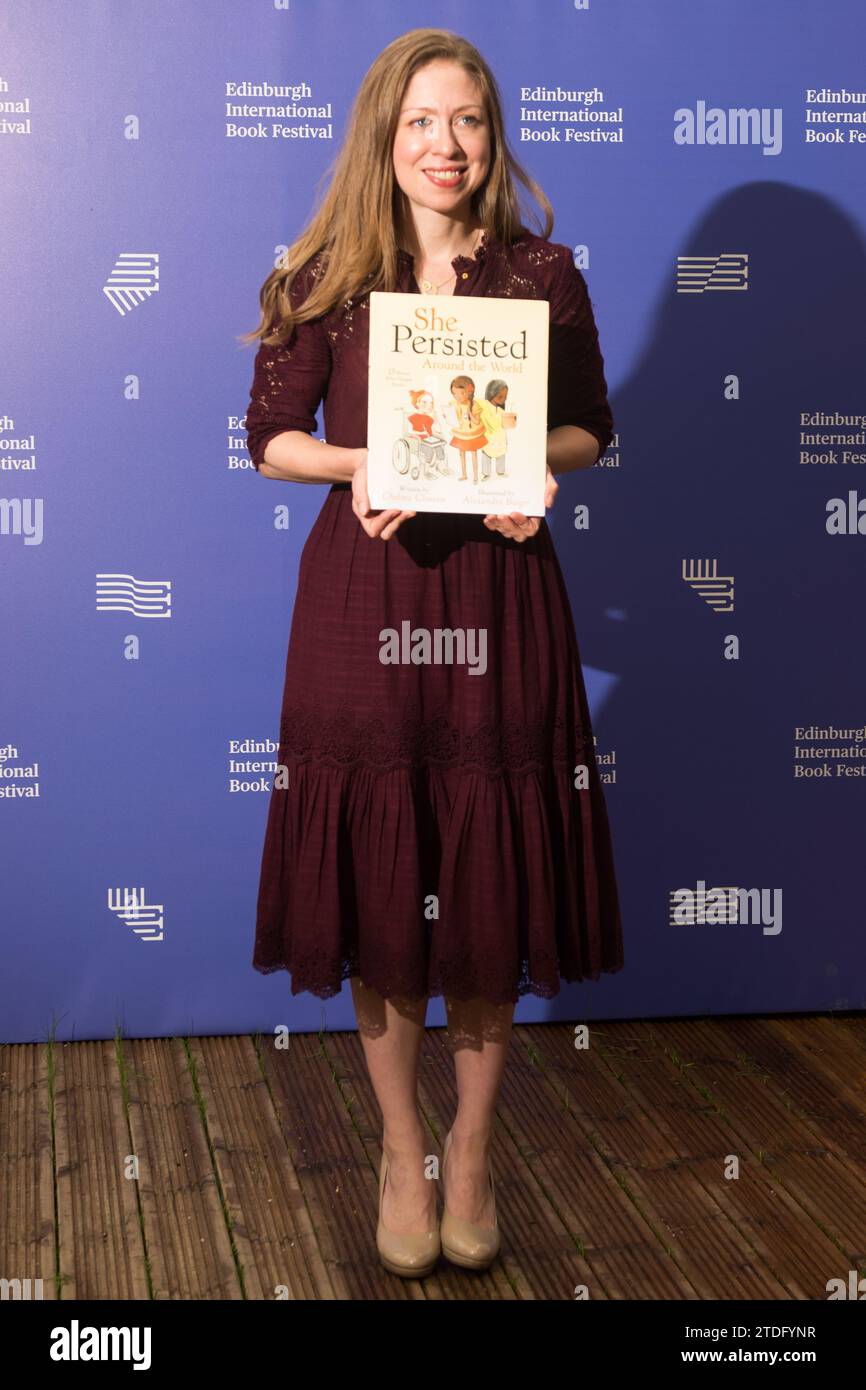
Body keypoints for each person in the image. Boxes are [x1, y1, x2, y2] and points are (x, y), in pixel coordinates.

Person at [241, 26, 624, 1279]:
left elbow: (584, 430)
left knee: (486, 877)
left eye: (464, 120)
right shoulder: (324, 273)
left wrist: (527, 466)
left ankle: (470, 1149)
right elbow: (269, 438)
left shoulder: (539, 273)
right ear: (381, 134)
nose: (442, 145)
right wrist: (363, 462)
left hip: (500, 595)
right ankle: (401, 1147)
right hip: (364, 597)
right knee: (384, 869)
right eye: (419, 121)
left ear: (490, 134)